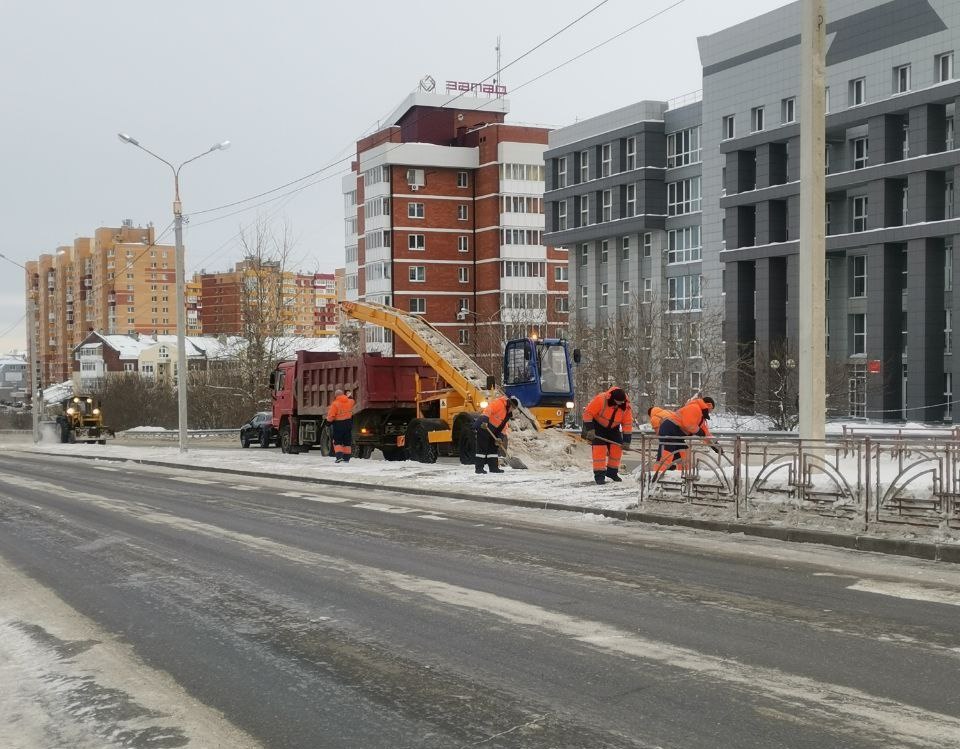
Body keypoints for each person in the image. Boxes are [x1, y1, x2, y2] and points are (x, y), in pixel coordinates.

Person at [652, 396, 716, 478]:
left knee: (684, 453)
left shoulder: (701, 416)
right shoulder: (694, 408)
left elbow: (706, 433)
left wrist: (714, 444)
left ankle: (682, 475)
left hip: (676, 432)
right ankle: (657, 475)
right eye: (711, 410)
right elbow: (689, 425)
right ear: (709, 405)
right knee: (667, 453)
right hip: (669, 429)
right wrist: (699, 432)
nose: (710, 412)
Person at [582, 387, 634, 485]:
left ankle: (612, 472)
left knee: (617, 447)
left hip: (613, 428)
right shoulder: (601, 399)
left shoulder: (626, 406)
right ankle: (599, 476)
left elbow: (627, 424)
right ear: (613, 399)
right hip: (598, 426)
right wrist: (590, 429)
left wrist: (627, 441)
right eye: (618, 402)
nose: (620, 403)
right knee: (599, 450)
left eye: (622, 402)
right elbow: (588, 413)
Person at [475, 395, 518, 474]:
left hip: (493, 431)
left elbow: (504, 427)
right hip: (484, 426)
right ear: (510, 405)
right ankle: (479, 468)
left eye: (514, 409)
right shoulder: (500, 403)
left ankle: (493, 468)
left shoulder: (507, 414)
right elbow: (488, 409)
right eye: (513, 408)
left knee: (493, 449)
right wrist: (485, 421)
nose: (512, 410)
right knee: (482, 448)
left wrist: (500, 438)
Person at [326, 388, 355, 463]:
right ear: (343, 394)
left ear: (336, 396)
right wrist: (349, 396)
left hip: (338, 424)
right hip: (348, 424)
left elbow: (331, 416)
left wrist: (328, 423)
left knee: (337, 441)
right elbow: (352, 400)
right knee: (347, 442)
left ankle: (339, 457)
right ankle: (346, 458)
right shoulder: (349, 402)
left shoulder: (335, 404)